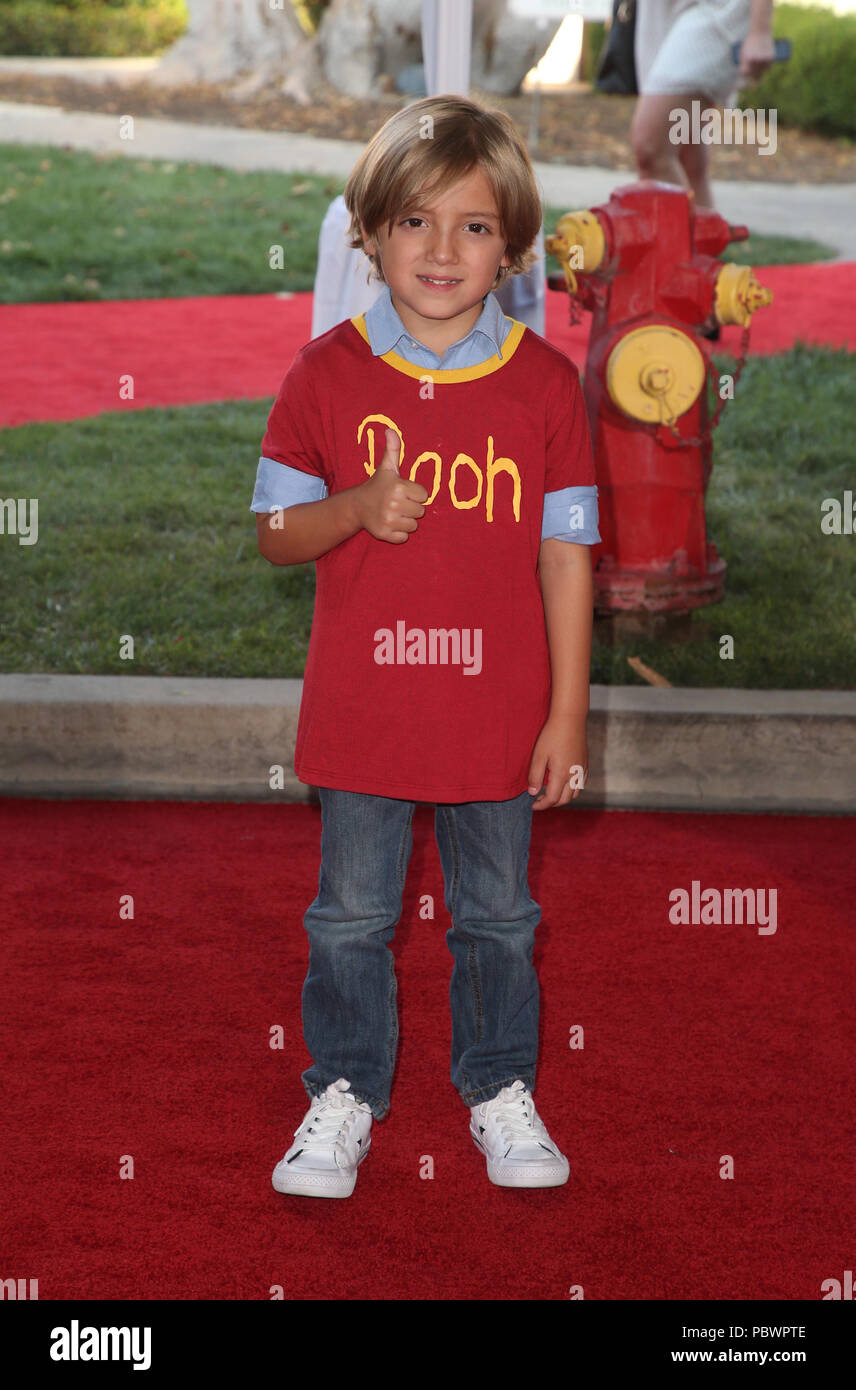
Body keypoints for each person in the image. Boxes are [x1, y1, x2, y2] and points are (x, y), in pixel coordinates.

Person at [250, 94, 601, 1199]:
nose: (442, 249)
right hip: (364, 716)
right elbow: (273, 536)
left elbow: (565, 559)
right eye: (413, 222)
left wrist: (566, 714)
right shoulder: (322, 374)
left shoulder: (547, 388)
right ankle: (344, 1085)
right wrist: (353, 507)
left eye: (475, 225)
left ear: (516, 247)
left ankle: (496, 1083)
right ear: (366, 231)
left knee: (499, 917)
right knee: (350, 917)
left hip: (497, 717)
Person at [631, 0, 777, 209]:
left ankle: (678, 241)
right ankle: (701, 241)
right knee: (687, 159)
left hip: (717, 7)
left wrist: (760, 29)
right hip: (659, 9)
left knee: (653, 149)